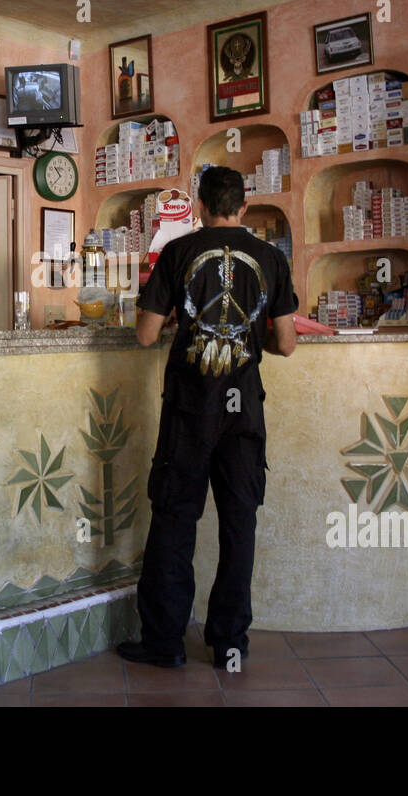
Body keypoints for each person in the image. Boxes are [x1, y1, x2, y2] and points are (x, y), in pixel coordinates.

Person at [120, 166, 298, 669]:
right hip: (243, 411)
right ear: (244, 206)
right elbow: (285, 343)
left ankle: (164, 643)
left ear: (199, 206)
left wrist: (188, 320)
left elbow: (146, 336)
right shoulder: (271, 258)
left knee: (176, 520)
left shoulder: (178, 253)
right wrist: (242, 336)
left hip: (189, 409)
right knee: (240, 523)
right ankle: (229, 644)